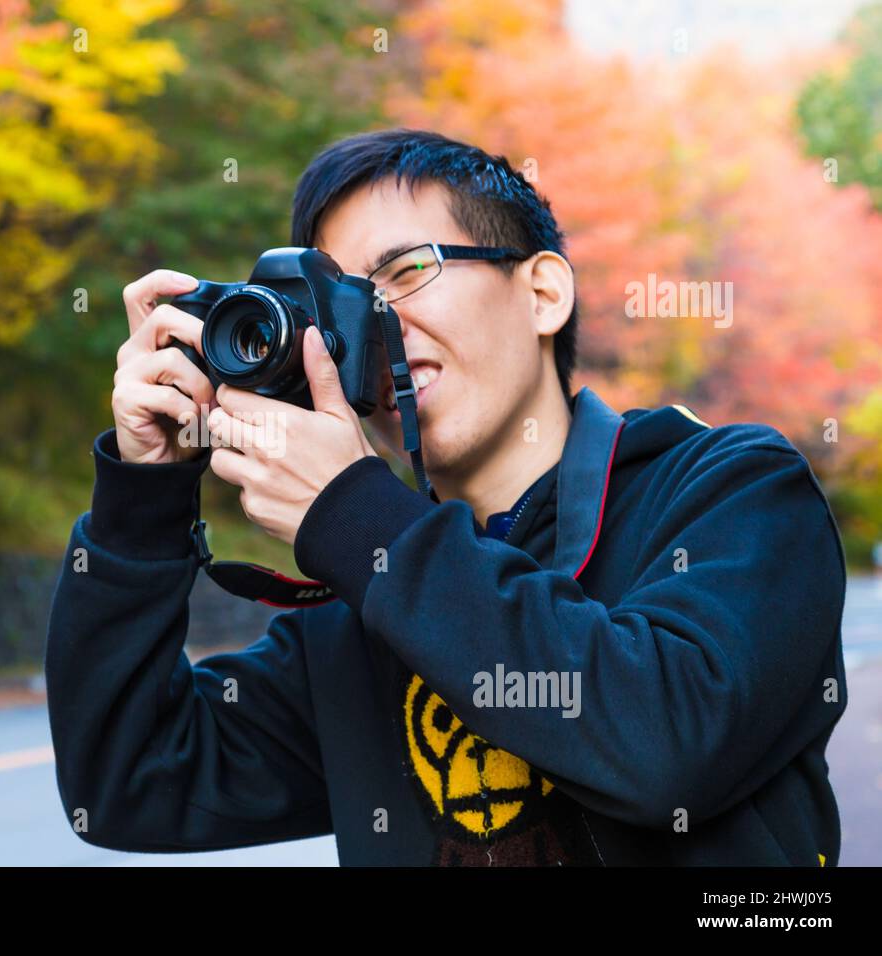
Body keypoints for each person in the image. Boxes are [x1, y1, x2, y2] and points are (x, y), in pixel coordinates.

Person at [44, 128, 849, 866]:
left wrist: (353, 516)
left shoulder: (733, 491)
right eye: (343, 303)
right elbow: (127, 786)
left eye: (405, 272)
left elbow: (667, 747)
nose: (375, 327)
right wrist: (142, 492)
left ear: (542, 294)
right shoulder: (363, 610)